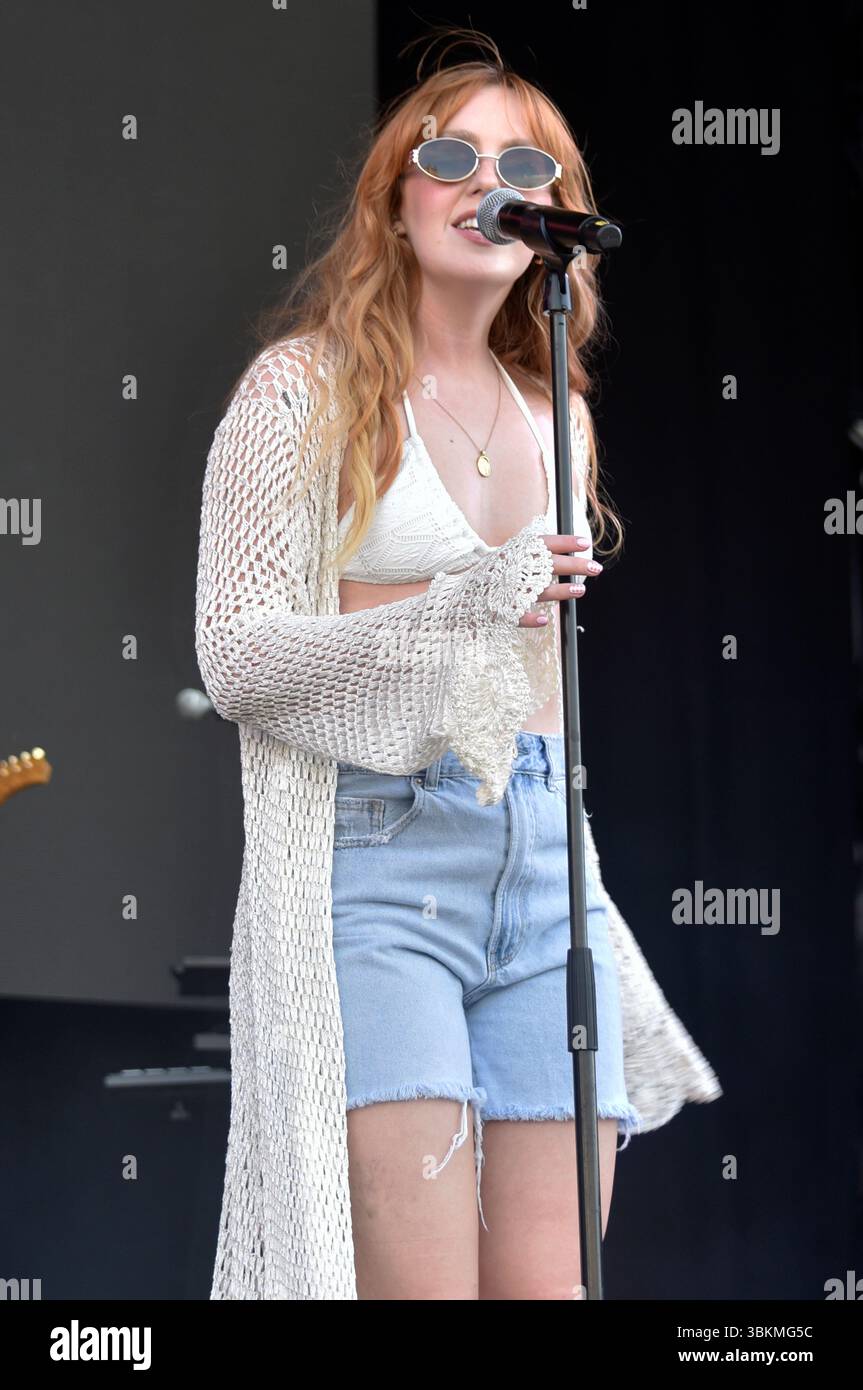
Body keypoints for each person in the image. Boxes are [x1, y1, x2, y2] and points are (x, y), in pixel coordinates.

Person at [195, 33, 722, 1302]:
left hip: (540, 850)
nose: (487, 180)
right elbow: (236, 653)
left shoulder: (560, 414)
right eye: (450, 155)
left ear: (553, 216)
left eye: (523, 163)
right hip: (379, 861)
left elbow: (526, 680)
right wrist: (457, 601)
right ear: (395, 195)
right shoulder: (300, 394)